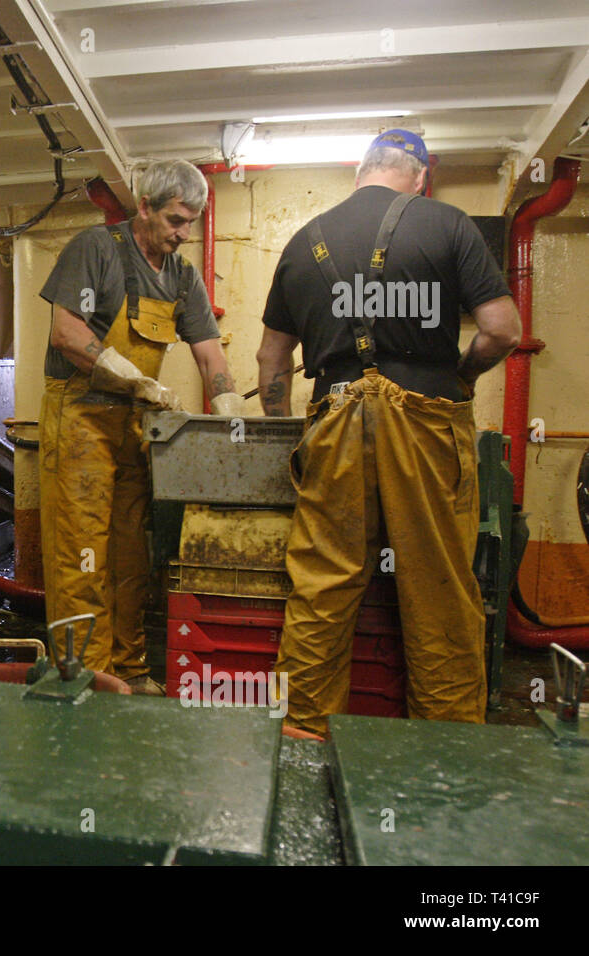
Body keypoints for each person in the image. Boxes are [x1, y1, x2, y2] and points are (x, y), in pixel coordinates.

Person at [256, 129, 522, 735]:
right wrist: (462, 374)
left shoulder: (302, 242)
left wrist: (288, 431)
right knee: (437, 588)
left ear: (361, 171)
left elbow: (272, 363)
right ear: (421, 176)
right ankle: (445, 743)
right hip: (427, 422)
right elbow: (502, 330)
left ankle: (301, 732)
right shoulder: (450, 224)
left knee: (321, 587)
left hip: (334, 419)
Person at [38, 159, 245, 694]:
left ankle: (126, 668)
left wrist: (233, 417)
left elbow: (209, 354)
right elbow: (66, 332)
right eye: (176, 220)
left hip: (135, 426)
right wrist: (136, 379)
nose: (184, 234)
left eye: (192, 223)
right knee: (82, 554)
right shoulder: (97, 249)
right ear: (145, 207)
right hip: (81, 414)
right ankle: (83, 675)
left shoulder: (181, 276)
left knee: (131, 555)